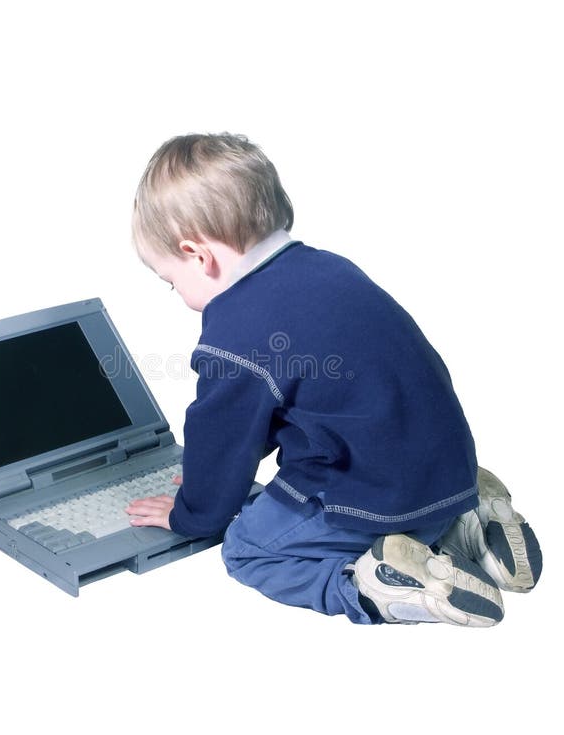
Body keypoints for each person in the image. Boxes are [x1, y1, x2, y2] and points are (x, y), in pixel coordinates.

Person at [125, 132, 542, 626]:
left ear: (198, 255)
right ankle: (467, 524)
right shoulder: (330, 270)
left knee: (247, 549)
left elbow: (221, 433)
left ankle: (376, 587)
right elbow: (300, 399)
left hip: (378, 495)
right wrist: (203, 469)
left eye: (171, 282)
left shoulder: (236, 329)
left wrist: (192, 508)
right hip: (448, 472)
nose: (178, 292)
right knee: (397, 483)